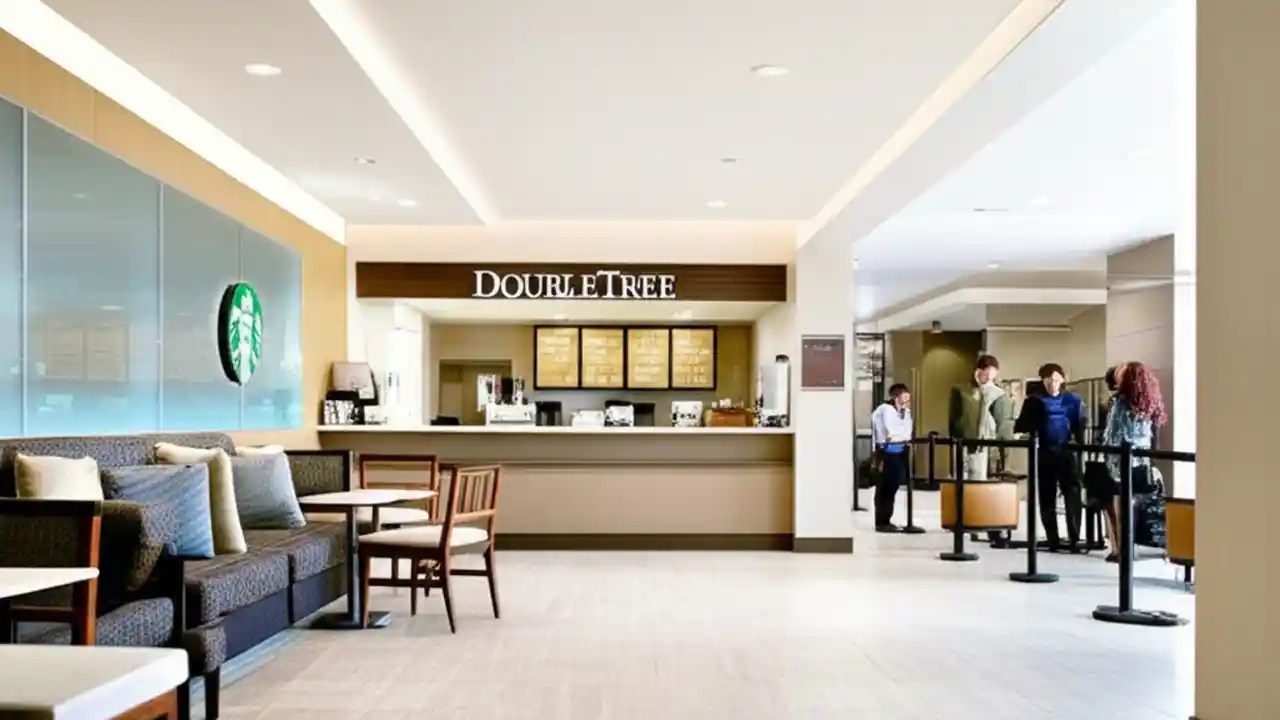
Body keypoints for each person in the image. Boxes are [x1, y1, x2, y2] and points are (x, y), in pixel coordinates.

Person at [1014, 363, 1085, 552]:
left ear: (1062, 380)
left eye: (1055, 380)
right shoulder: (1034, 401)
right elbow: (1021, 426)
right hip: (1044, 453)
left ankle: (1074, 537)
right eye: (1048, 380)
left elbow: (1079, 428)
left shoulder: (1073, 400)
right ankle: (1052, 538)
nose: (1052, 384)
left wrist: (1080, 448)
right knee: (1047, 497)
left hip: (1067, 454)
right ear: (1042, 381)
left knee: (1072, 494)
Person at [1101, 361, 1167, 562]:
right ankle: (1129, 548)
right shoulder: (1150, 402)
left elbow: (1112, 435)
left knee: (1118, 505)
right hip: (1141, 460)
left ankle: (1120, 549)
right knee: (1134, 505)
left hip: (1119, 463)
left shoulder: (1119, 403)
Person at [949, 355, 1015, 543]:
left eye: (991, 371)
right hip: (965, 442)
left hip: (986, 444)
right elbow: (955, 418)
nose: (988, 374)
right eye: (984, 370)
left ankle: (980, 522)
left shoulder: (999, 395)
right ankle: (963, 520)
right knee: (963, 482)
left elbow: (1003, 424)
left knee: (981, 483)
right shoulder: (963, 391)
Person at [870, 383, 913, 533]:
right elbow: (891, 432)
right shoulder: (885, 410)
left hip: (899, 452)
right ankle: (881, 521)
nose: (908, 399)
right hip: (886, 453)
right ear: (896, 396)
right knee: (885, 487)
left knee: (893, 487)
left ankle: (887, 519)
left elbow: (907, 433)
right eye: (905, 396)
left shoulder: (904, 412)